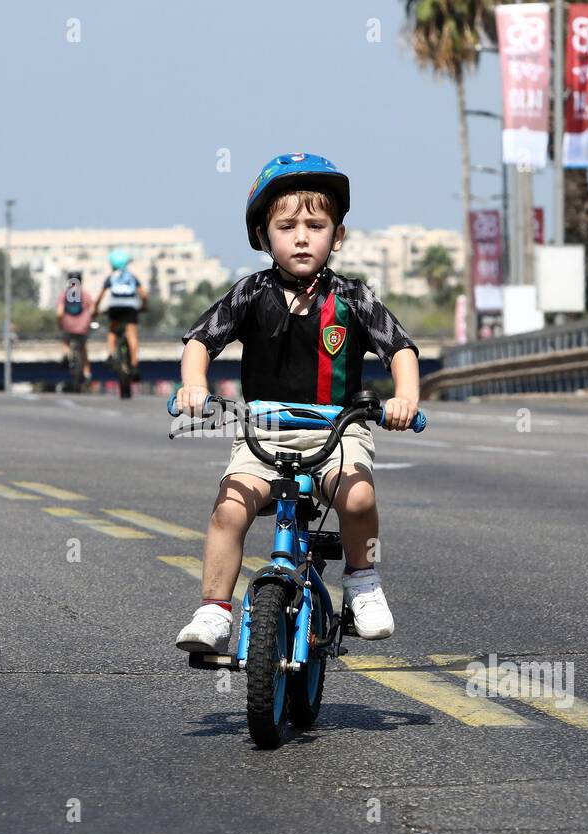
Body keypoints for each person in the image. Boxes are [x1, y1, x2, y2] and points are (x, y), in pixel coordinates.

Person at [172, 152, 421, 654]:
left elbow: (401, 350)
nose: (302, 236)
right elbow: (200, 341)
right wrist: (193, 385)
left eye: (316, 224)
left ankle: (362, 581)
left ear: (339, 235)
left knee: (358, 498)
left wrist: (405, 398)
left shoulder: (354, 298)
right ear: (264, 237)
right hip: (262, 429)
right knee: (229, 509)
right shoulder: (249, 294)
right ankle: (215, 610)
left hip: (338, 429)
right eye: (286, 226)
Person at [93, 249, 147, 380]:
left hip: (115, 307)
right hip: (131, 307)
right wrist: (144, 306)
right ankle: (134, 365)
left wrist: (95, 309)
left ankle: (111, 355)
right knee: (132, 335)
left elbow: (101, 295)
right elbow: (143, 295)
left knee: (112, 330)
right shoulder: (132, 277)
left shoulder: (111, 277)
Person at [56, 270, 96, 383]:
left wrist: (60, 324)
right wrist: (91, 319)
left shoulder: (63, 295)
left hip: (67, 326)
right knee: (83, 348)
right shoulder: (85, 295)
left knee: (65, 340)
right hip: (82, 327)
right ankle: (87, 372)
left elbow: (59, 313)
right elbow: (93, 310)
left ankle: (66, 354)